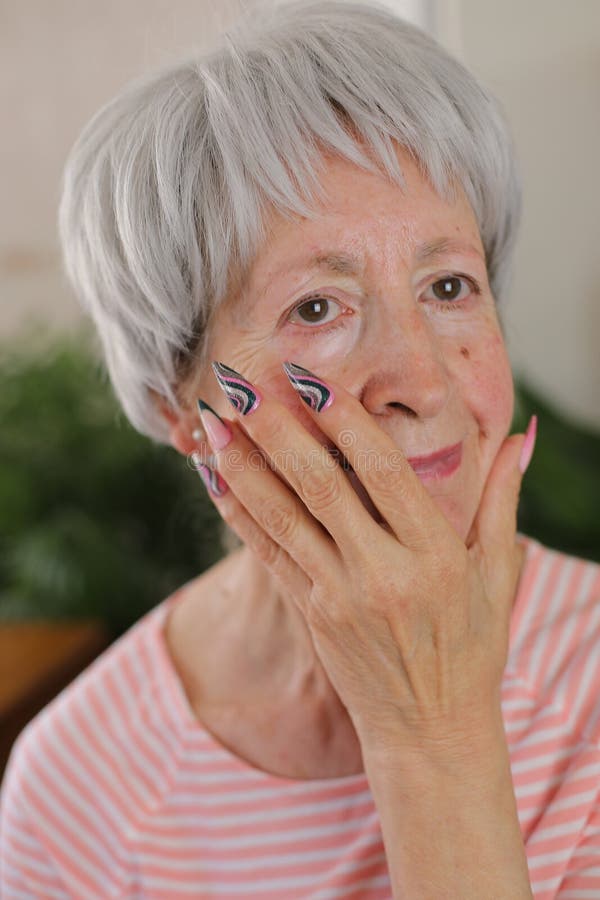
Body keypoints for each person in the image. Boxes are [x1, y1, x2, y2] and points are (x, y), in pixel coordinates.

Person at [1, 0, 599, 896]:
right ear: (178, 403)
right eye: (317, 307)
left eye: (448, 286)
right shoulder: (79, 788)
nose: (423, 381)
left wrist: (432, 736)